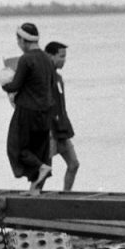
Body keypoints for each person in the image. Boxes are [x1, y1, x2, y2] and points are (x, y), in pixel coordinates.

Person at [1, 23, 55, 192]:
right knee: (38, 149)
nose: (18, 44)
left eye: (18, 41)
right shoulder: (47, 58)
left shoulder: (26, 59)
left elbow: (15, 85)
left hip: (27, 110)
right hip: (45, 111)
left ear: (24, 40)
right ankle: (35, 190)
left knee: (16, 147)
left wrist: (4, 83)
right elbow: (50, 84)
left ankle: (41, 168)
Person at [44, 41, 79, 192]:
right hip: (48, 130)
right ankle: (35, 196)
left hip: (61, 127)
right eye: (61, 56)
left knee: (73, 164)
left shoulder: (58, 78)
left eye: (65, 57)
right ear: (50, 56)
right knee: (45, 169)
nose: (64, 60)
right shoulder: (43, 77)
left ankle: (66, 195)